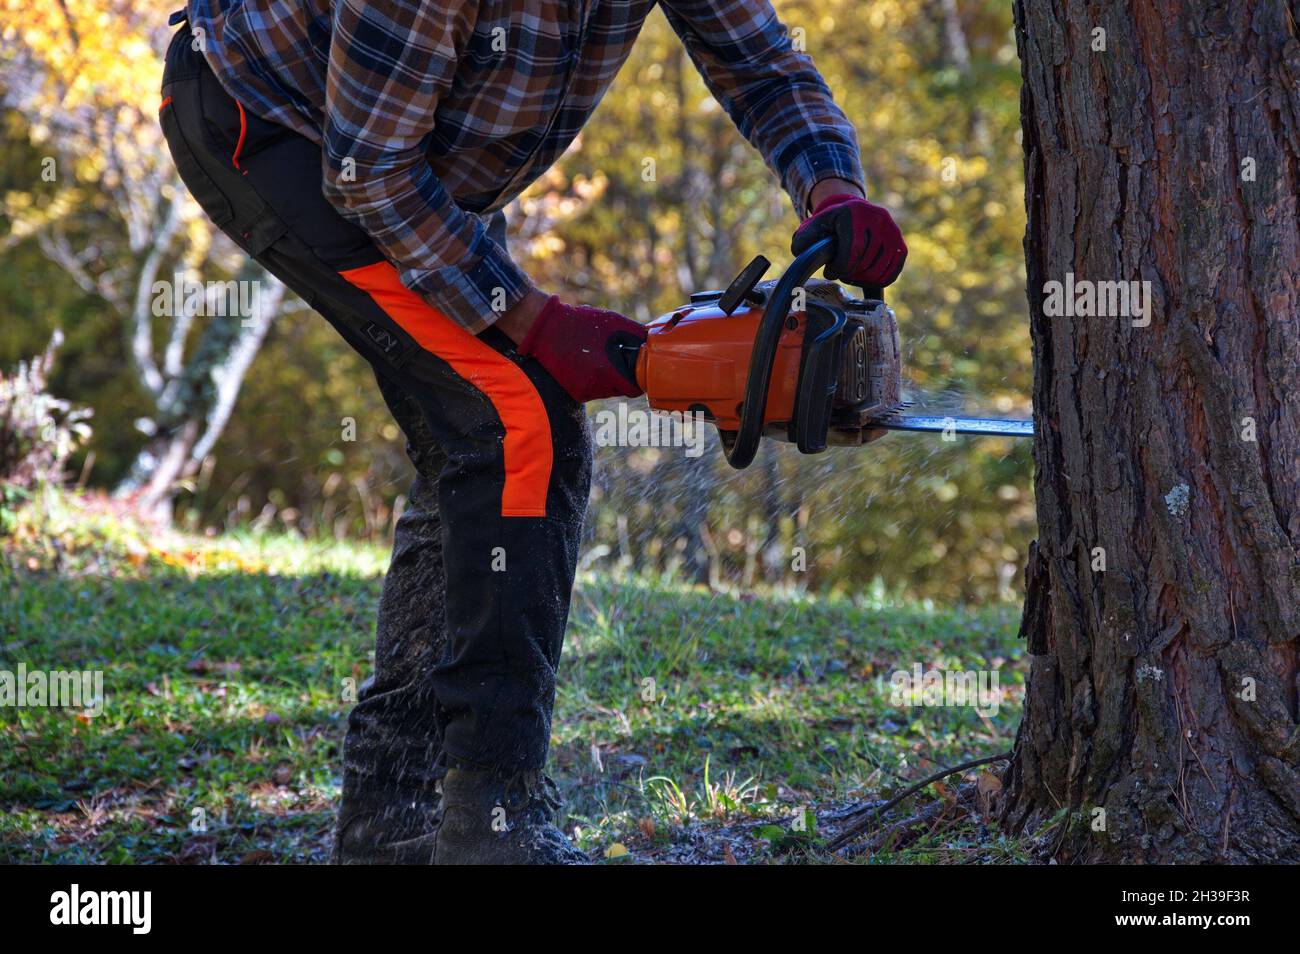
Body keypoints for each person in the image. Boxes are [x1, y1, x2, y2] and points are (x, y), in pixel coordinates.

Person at [158, 0, 906, 865]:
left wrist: (832, 187)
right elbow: (368, 171)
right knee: (519, 419)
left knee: (477, 436)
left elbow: (761, 64)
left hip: (430, 170)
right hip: (284, 130)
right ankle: (492, 827)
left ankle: (393, 816)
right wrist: (537, 322)